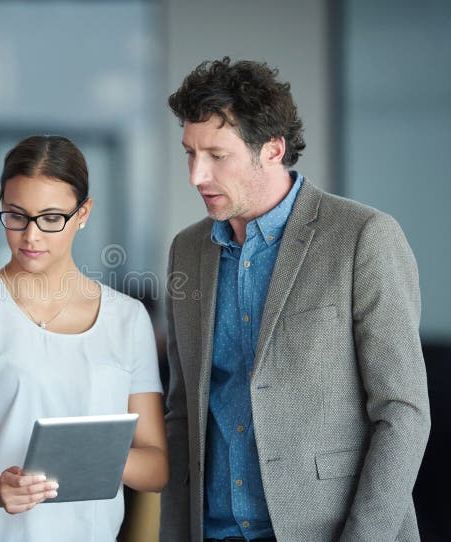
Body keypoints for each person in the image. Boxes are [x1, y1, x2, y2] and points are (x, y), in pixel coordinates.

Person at [160, 57, 430, 542]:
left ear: (273, 149)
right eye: (189, 153)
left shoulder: (363, 238)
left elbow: (403, 414)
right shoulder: (187, 250)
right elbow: (183, 415)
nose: (196, 175)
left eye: (217, 156)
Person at [0, 135, 168, 541]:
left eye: (51, 218)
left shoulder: (128, 319)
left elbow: (156, 468)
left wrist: (93, 454)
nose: (30, 236)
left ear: (83, 213)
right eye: (16, 215)